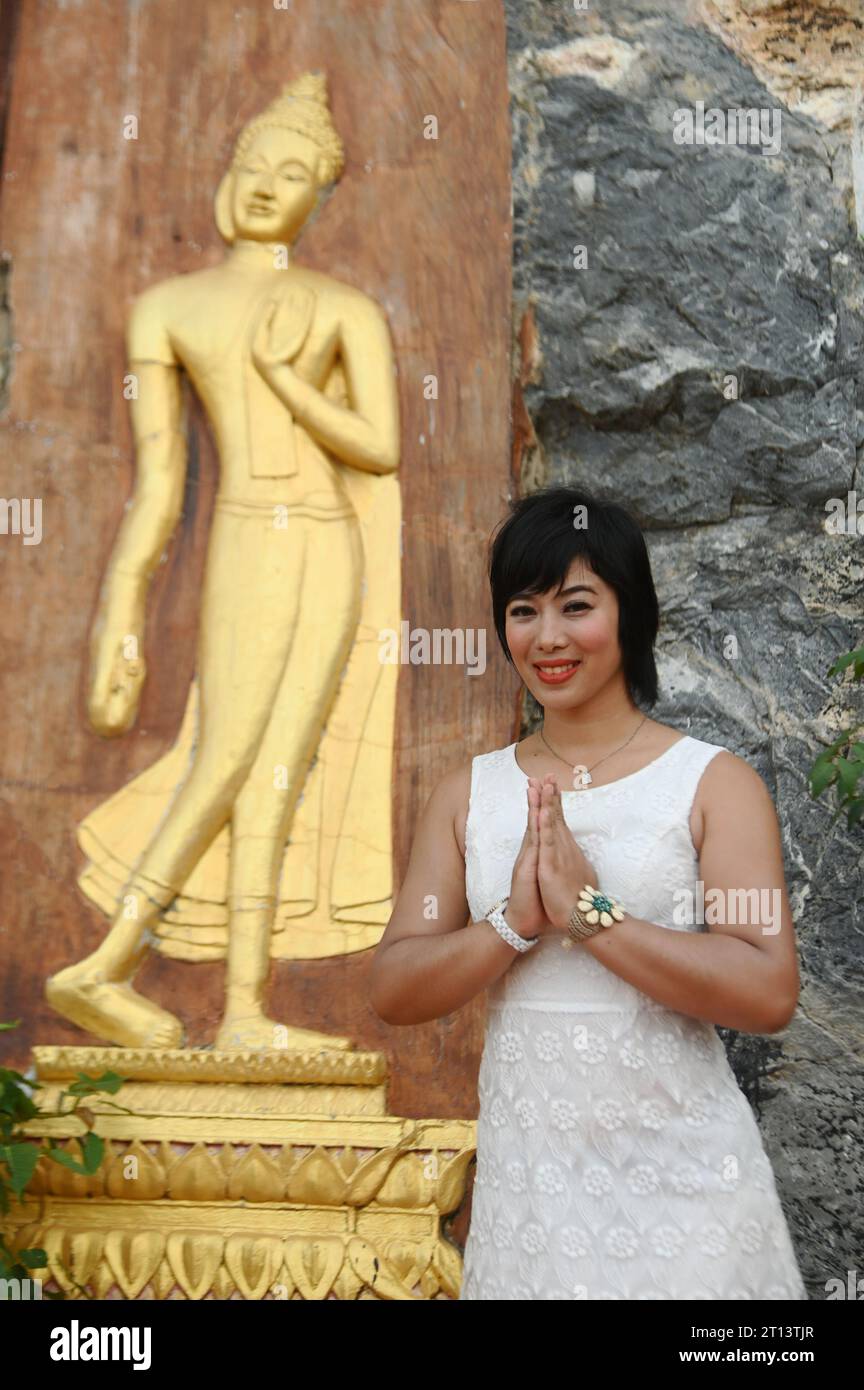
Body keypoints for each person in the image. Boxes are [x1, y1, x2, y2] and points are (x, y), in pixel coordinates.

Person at [369, 485, 807, 1300]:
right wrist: (512, 924)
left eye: (576, 605)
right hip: (531, 1205)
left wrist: (593, 918)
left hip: (689, 1205)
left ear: (629, 613)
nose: (549, 637)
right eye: (523, 611)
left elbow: (769, 989)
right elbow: (394, 987)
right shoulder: (468, 796)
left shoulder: (712, 783)